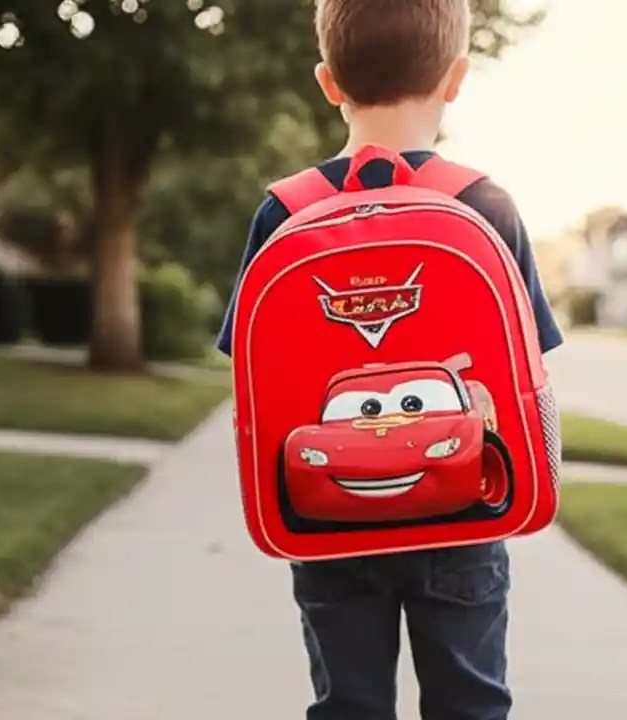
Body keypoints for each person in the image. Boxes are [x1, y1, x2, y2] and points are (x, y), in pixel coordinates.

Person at [215, 1, 564, 717]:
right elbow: (529, 374)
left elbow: (250, 375)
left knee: (350, 707)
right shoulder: (485, 206)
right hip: (463, 511)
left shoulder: (284, 212)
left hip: (327, 519)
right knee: (470, 705)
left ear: (328, 82)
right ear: (456, 78)